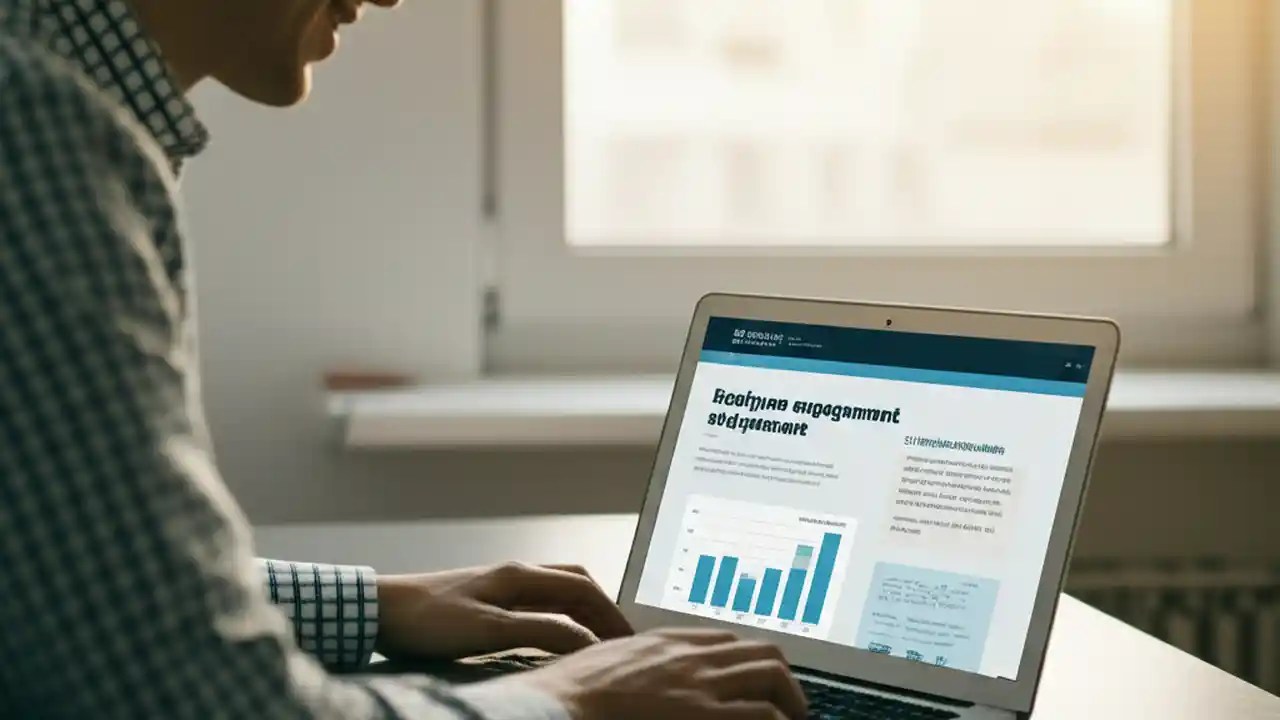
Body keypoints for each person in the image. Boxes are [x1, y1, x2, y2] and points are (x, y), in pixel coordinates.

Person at [0, 0, 808, 718]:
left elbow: (61, 592)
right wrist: (571, 696)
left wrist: (374, 604)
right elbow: (193, 696)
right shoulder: (34, 126)